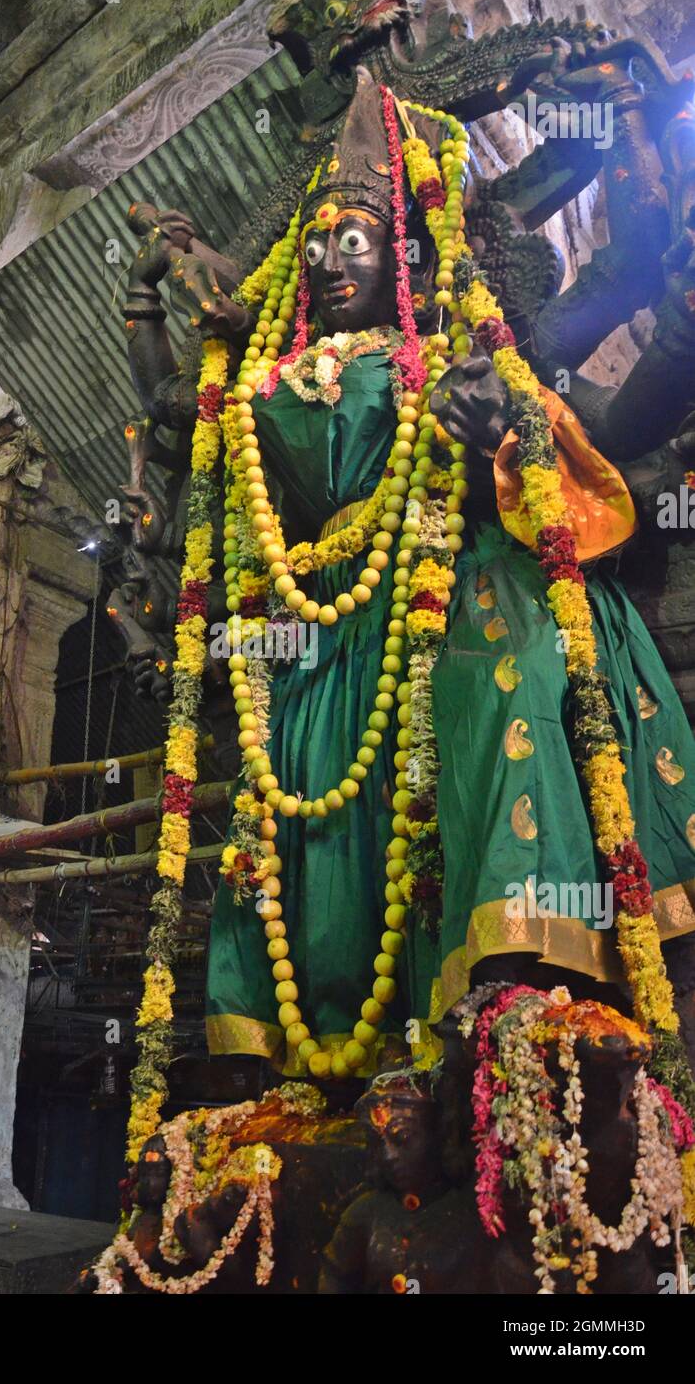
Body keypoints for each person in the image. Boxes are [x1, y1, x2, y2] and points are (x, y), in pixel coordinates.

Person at [203, 77, 695, 1075]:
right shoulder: (267, 384)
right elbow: (231, 499)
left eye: (355, 240)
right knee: (295, 796)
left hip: (451, 581)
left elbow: (601, 410)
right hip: (332, 629)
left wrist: (505, 432)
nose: (331, 264)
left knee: (501, 674)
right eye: (317, 247)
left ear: (410, 253)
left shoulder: (466, 351)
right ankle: (323, 1055)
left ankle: (519, 980)